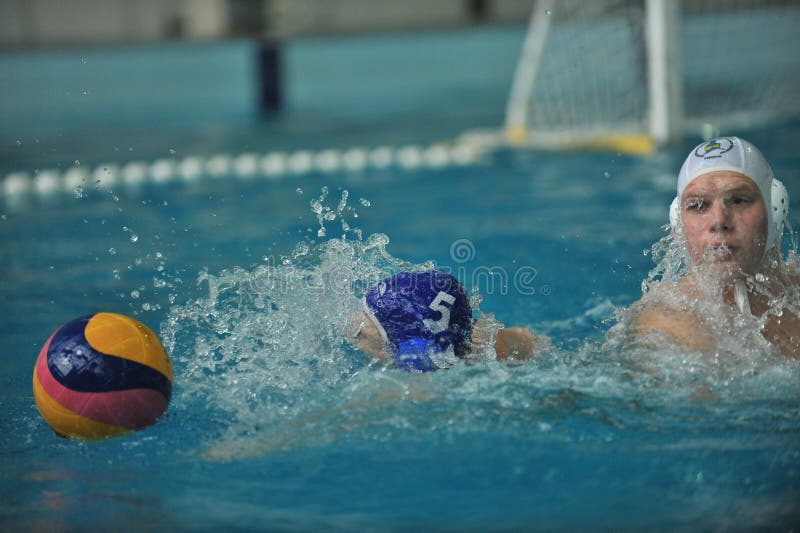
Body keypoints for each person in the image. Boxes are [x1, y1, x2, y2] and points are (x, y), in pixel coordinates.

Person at [629, 136, 799, 358]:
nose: (719, 221)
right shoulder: (665, 324)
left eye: (739, 200)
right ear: (678, 223)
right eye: (698, 205)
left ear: (774, 209)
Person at [349, 269, 542, 371]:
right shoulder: (482, 339)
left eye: (361, 334)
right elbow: (530, 339)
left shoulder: (414, 387)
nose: (353, 329)